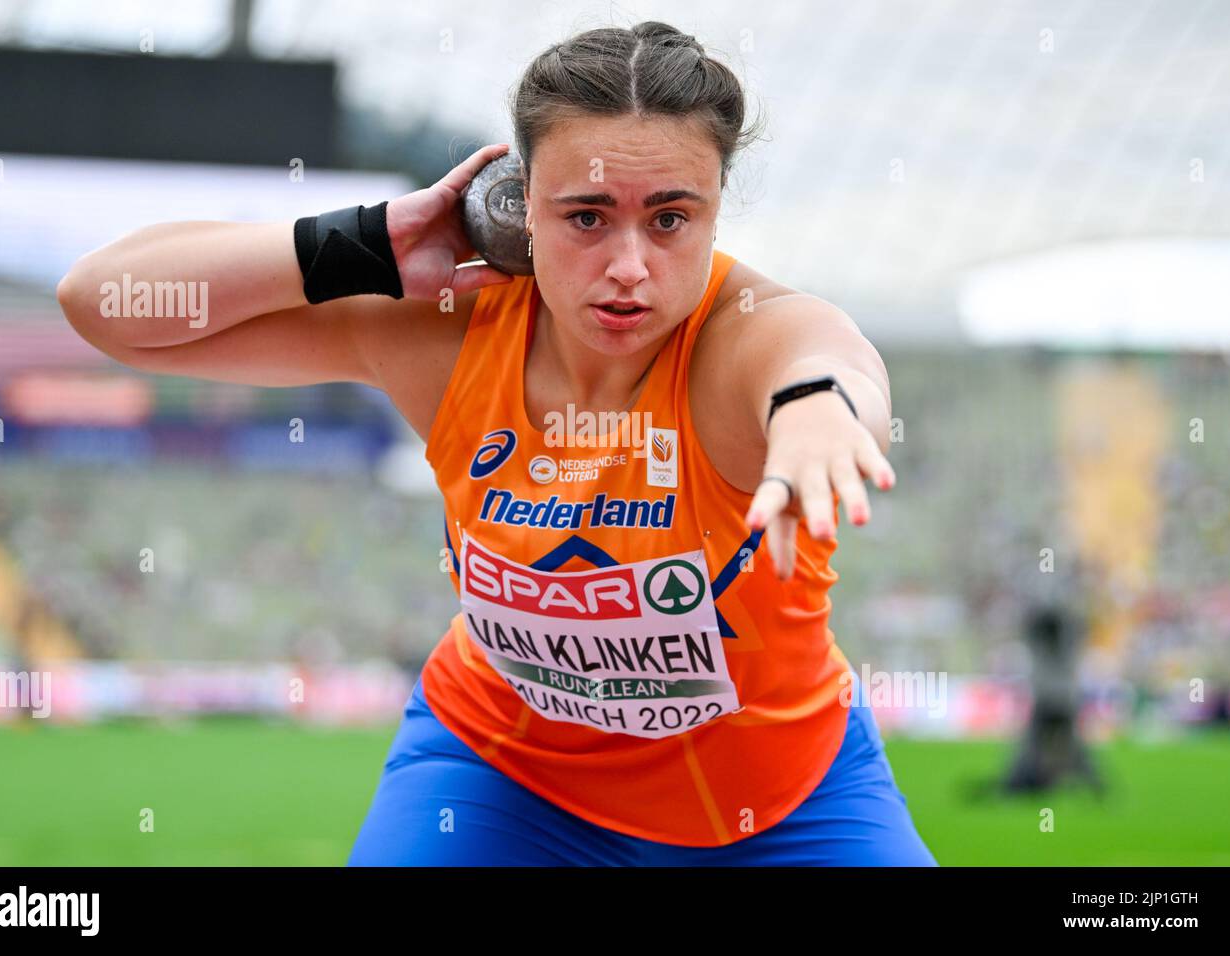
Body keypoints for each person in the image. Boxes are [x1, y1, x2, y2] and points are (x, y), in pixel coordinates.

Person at [57, 20, 936, 866]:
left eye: (671, 219)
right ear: (515, 208)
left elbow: (822, 356)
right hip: (501, 780)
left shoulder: (740, 337)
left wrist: (820, 411)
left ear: (715, 211)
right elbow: (104, 303)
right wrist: (365, 242)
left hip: (780, 804)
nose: (629, 264)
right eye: (585, 216)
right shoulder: (447, 334)